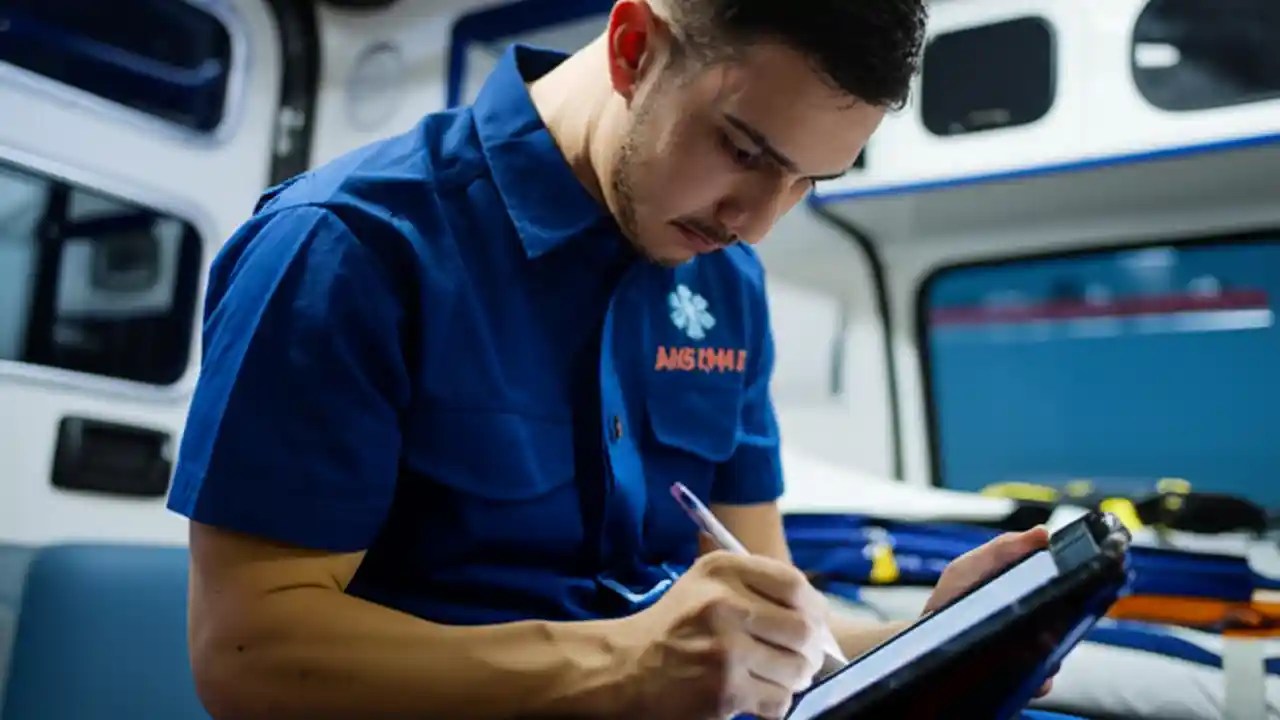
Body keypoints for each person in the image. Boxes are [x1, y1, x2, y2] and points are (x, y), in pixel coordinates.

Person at [168, 1, 1054, 718]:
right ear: (634, 48)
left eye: (807, 184)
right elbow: (246, 656)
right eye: (744, 152)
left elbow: (775, 614)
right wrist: (620, 662)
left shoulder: (726, 278)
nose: (757, 220)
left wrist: (935, 635)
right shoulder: (346, 248)